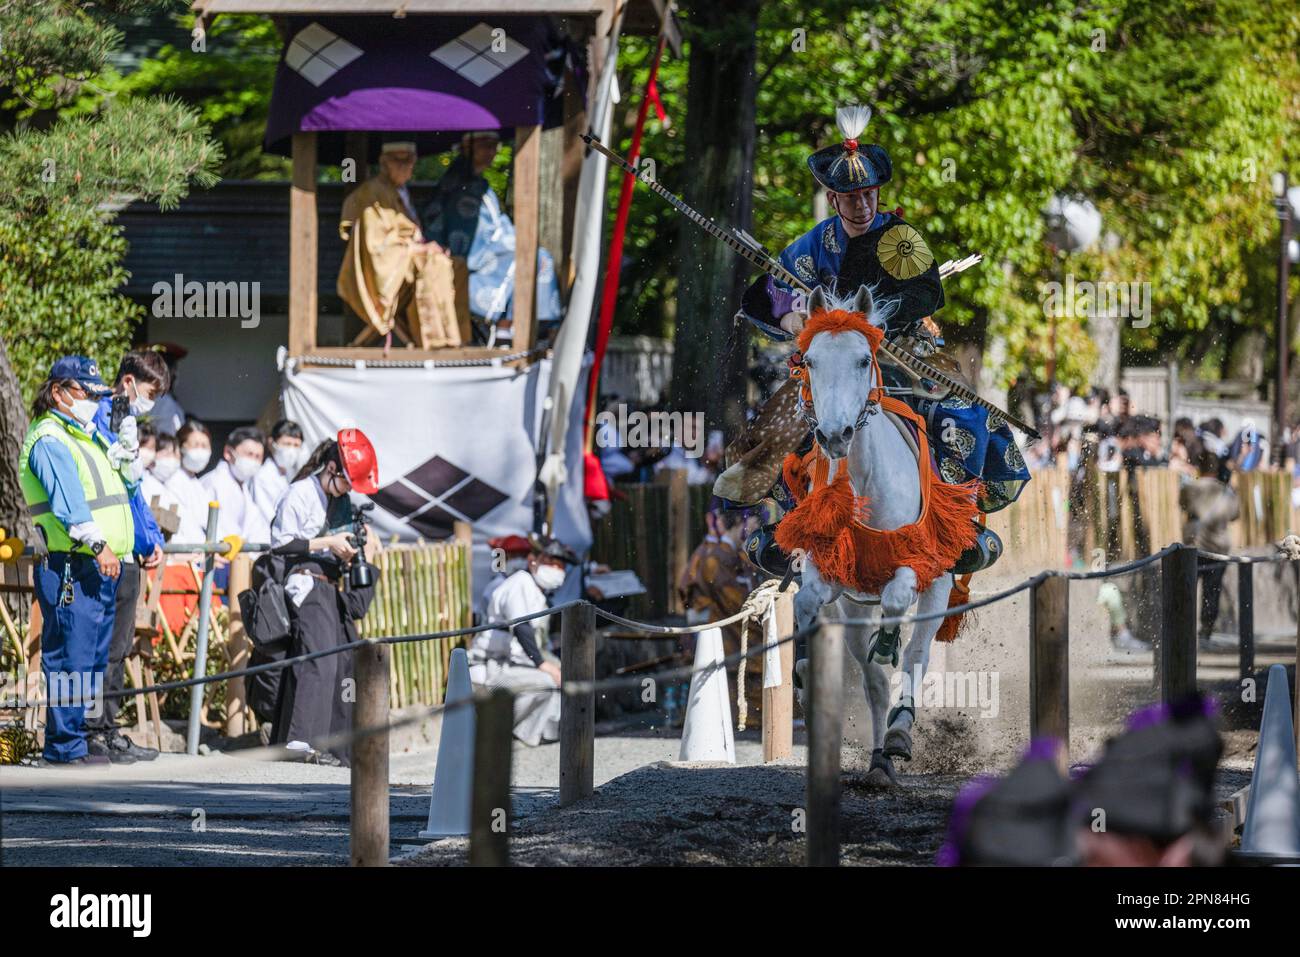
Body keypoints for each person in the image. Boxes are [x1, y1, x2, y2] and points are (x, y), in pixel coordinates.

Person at [715, 104, 1029, 519]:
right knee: (777, 427)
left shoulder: (899, 237)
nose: (862, 205)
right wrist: (792, 319)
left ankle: (958, 518)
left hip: (903, 349)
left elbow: (926, 292)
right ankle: (784, 525)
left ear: (879, 193)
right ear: (833, 199)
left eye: (868, 194)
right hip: (833, 355)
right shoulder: (813, 244)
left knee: (958, 411)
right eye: (850, 197)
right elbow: (764, 296)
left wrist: (877, 320)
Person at [18, 357, 135, 766]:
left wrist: (128, 442)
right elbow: (69, 503)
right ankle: (64, 747)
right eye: (86, 393)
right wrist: (100, 544)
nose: (93, 402)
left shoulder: (83, 436)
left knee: (89, 657)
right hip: (74, 561)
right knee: (71, 655)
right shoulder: (51, 438)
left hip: (94, 562)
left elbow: (123, 483)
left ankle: (76, 741)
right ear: (58, 392)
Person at [266, 430, 381, 765]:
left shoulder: (337, 501)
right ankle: (300, 745)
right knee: (318, 663)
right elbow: (280, 543)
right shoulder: (300, 492)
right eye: (346, 482)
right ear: (331, 468)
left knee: (340, 662)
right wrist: (327, 543)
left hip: (329, 583)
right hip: (303, 582)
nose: (347, 490)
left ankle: (331, 746)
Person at [83, 351, 173, 761]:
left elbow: (133, 491)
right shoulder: (96, 418)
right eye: (150, 392)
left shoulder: (128, 422)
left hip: (128, 552)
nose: (150, 401)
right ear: (128, 382)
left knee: (117, 649)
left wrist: (150, 538)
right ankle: (87, 732)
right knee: (96, 649)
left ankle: (109, 728)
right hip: (100, 551)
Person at [422, 131, 564, 344]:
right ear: (468, 147)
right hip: (467, 264)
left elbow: (493, 227)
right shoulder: (460, 185)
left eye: (494, 145)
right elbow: (463, 237)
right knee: (534, 258)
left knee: (534, 254)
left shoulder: (476, 183)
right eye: (485, 145)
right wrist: (516, 243)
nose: (492, 152)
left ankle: (522, 327)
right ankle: (506, 329)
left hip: (487, 253)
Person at [337, 141, 460, 349]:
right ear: (384, 163)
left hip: (407, 261)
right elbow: (375, 247)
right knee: (434, 264)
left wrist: (424, 247)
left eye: (410, 161)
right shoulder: (372, 193)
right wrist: (418, 249)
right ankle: (435, 341)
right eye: (398, 160)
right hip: (383, 270)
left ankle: (456, 337)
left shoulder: (400, 191)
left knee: (457, 264)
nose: (405, 166)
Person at [469, 536, 576, 746]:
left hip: (514, 662)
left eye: (560, 565)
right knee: (546, 681)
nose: (556, 568)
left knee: (566, 674)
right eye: (551, 562)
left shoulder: (538, 591)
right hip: (492, 667)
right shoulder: (519, 583)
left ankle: (539, 733)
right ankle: (494, 729)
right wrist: (544, 665)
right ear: (532, 560)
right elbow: (521, 627)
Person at [678, 501, 761, 726]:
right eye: (753, 521)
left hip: (731, 622)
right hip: (724, 627)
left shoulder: (735, 555)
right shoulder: (715, 556)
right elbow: (734, 603)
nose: (756, 526)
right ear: (740, 522)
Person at [1179, 447, 1240, 649]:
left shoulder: (1189, 488)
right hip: (1218, 549)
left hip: (1193, 548)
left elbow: (1184, 506)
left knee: (1187, 591)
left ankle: (1185, 632)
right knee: (1211, 592)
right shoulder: (1225, 491)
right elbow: (1234, 515)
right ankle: (1206, 632)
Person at [202, 425, 267, 545]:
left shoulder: (244, 487)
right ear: (228, 452)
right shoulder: (214, 482)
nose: (253, 460)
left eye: (258, 457)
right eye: (249, 454)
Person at [251, 419, 305, 533]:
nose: (291, 450)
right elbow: (269, 516)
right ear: (272, 443)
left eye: (296, 445)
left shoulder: (290, 473)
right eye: (287, 444)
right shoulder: (263, 476)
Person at [166, 419, 214, 544]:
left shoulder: (196, 482)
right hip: (187, 550)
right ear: (181, 447)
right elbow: (184, 524)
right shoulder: (173, 480)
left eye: (205, 446)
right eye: (195, 445)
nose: (200, 451)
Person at [144, 342, 189, 437]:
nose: (176, 374)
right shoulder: (165, 402)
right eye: (174, 369)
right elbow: (167, 436)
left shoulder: (149, 398)